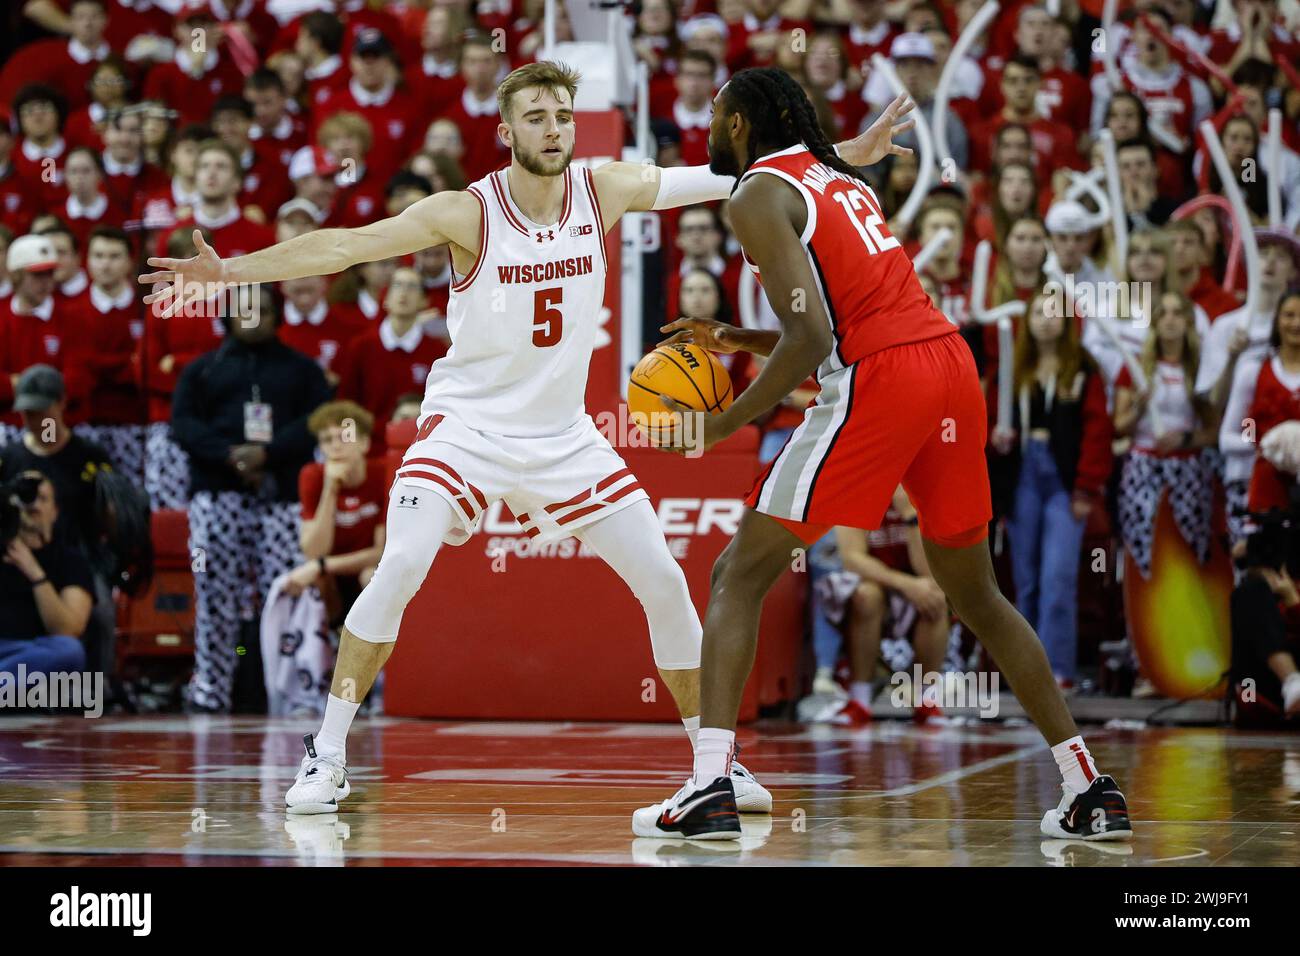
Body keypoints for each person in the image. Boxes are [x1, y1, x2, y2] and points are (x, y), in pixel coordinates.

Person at [141, 61, 891, 814]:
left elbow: (719, 178)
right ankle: (327, 754)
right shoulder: (467, 212)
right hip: (465, 428)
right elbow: (345, 245)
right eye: (536, 117)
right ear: (506, 132)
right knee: (399, 566)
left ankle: (714, 765)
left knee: (665, 581)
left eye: (562, 115)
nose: (554, 128)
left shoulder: (605, 190)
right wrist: (230, 270)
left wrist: (838, 156)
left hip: (564, 436)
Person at [633, 68, 1131, 841]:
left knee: (737, 573)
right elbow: (849, 313)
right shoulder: (832, 177)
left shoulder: (754, 196)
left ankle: (707, 783)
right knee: (977, 593)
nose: (704, 129)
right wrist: (739, 339)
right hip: (947, 366)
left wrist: (724, 423)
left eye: (712, 115)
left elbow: (817, 341)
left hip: (883, 379)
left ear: (738, 125)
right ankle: (1087, 785)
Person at [170, 284, 332, 713]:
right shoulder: (202, 370)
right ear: (226, 316)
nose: (253, 316)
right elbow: (182, 425)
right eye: (244, 309)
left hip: (282, 498)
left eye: (262, 308)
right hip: (217, 497)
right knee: (214, 597)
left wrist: (268, 453)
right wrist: (230, 456)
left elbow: (317, 422)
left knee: (286, 594)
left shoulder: (302, 370)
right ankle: (210, 692)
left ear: (278, 315)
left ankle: (294, 693)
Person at [286, 401, 387, 626]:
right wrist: (330, 488)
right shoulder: (312, 475)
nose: (336, 447)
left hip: (365, 567)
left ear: (364, 443)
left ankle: (381, 652)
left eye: (344, 438)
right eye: (327, 440)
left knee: (371, 575)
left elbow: (382, 553)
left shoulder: (383, 474)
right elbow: (314, 550)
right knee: (312, 581)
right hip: (331, 577)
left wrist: (321, 565)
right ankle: (324, 650)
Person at [0, 473, 94, 678]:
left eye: (42, 498)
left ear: (55, 511)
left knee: (70, 651)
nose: (33, 504)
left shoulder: (70, 560)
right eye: (24, 496)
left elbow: (68, 630)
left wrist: (34, 571)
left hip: (32, 653)